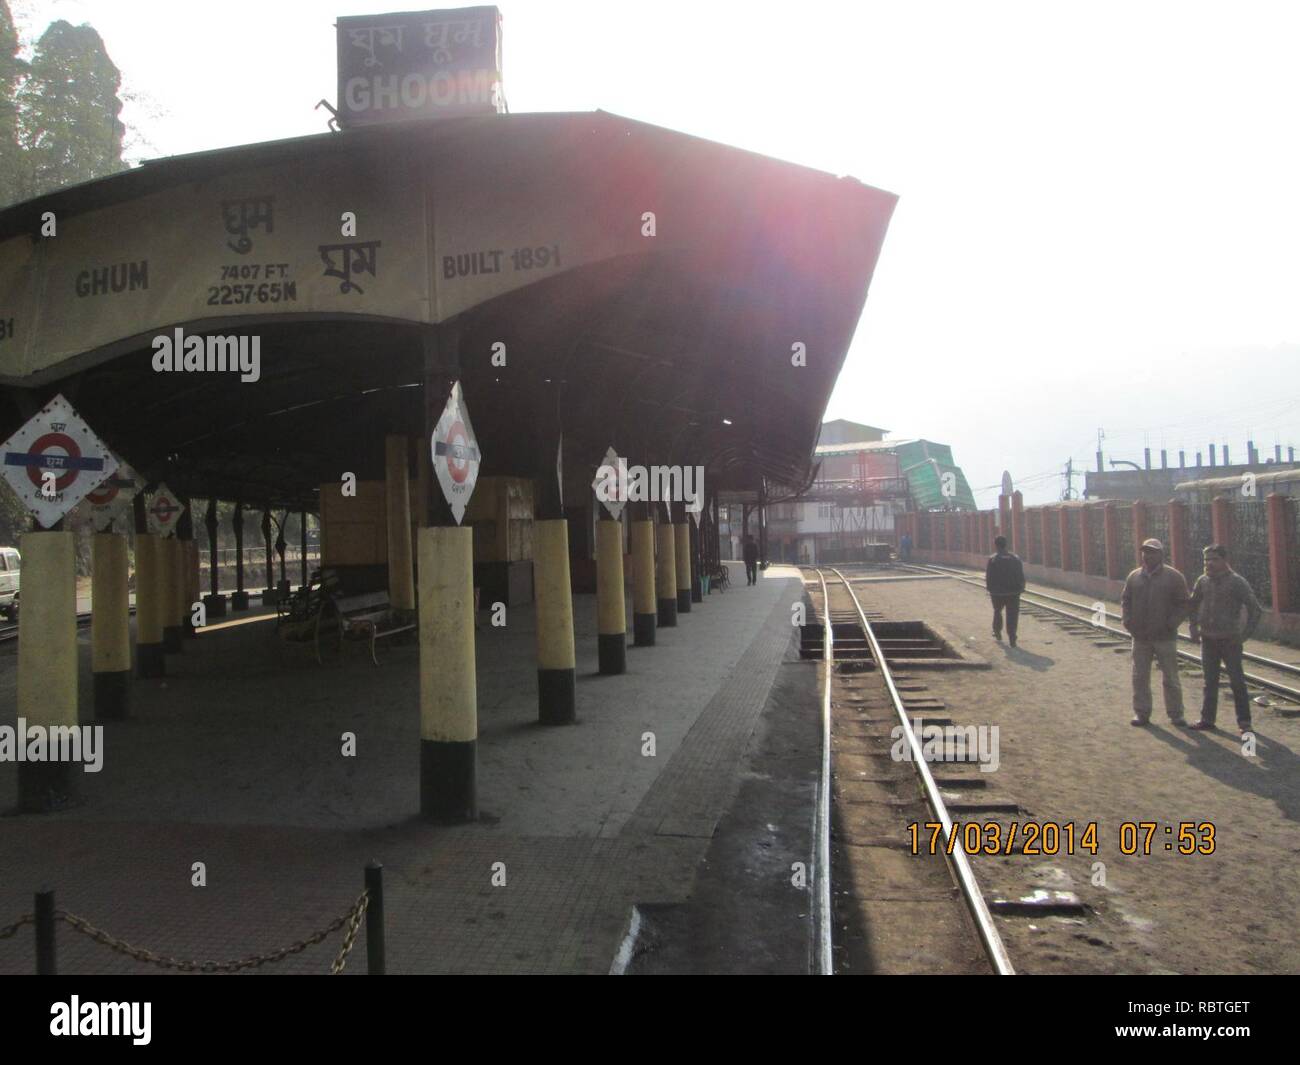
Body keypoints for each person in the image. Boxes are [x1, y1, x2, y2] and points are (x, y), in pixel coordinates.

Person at [1187, 544, 1262, 737]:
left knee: (1237, 682)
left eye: (1213, 559)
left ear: (1224, 560)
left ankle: (1244, 722)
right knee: (1209, 682)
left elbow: (1255, 610)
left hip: (1230, 641)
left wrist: (1243, 636)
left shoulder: (1237, 582)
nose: (1209, 563)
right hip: (1208, 640)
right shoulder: (1203, 581)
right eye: (1206, 560)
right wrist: (1193, 627)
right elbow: (1193, 604)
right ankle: (1207, 719)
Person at [1120, 538, 1189, 728]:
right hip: (1140, 636)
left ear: (1161, 554)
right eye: (1145, 551)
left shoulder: (1174, 577)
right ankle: (1141, 713)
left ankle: (1176, 714)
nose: (1147, 555)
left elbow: (1183, 604)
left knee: (1171, 677)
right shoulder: (1134, 576)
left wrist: (1172, 623)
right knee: (1140, 677)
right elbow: (1126, 600)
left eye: (1151, 552)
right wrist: (1127, 621)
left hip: (1165, 637)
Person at [984, 535, 1025, 646]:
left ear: (996, 545)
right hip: (1013, 592)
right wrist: (1021, 587)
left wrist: (989, 588)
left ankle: (997, 632)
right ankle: (1012, 638)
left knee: (997, 611)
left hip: (997, 592)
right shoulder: (1015, 558)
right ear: (1006, 544)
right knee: (1012, 614)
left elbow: (989, 576)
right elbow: (1020, 574)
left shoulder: (993, 559)